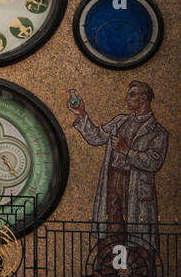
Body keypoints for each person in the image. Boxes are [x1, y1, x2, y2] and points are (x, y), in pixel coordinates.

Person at [67, 81, 168, 248]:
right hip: (113, 178)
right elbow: (97, 137)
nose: (126, 99)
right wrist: (82, 115)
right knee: (111, 226)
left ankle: (140, 271)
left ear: (143, 98)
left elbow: (154, 162)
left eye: (131, 95)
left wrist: (127, 151)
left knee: (138, 234)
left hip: (134, 183)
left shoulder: (158, 131)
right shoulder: (120, 121)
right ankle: (106, 271)